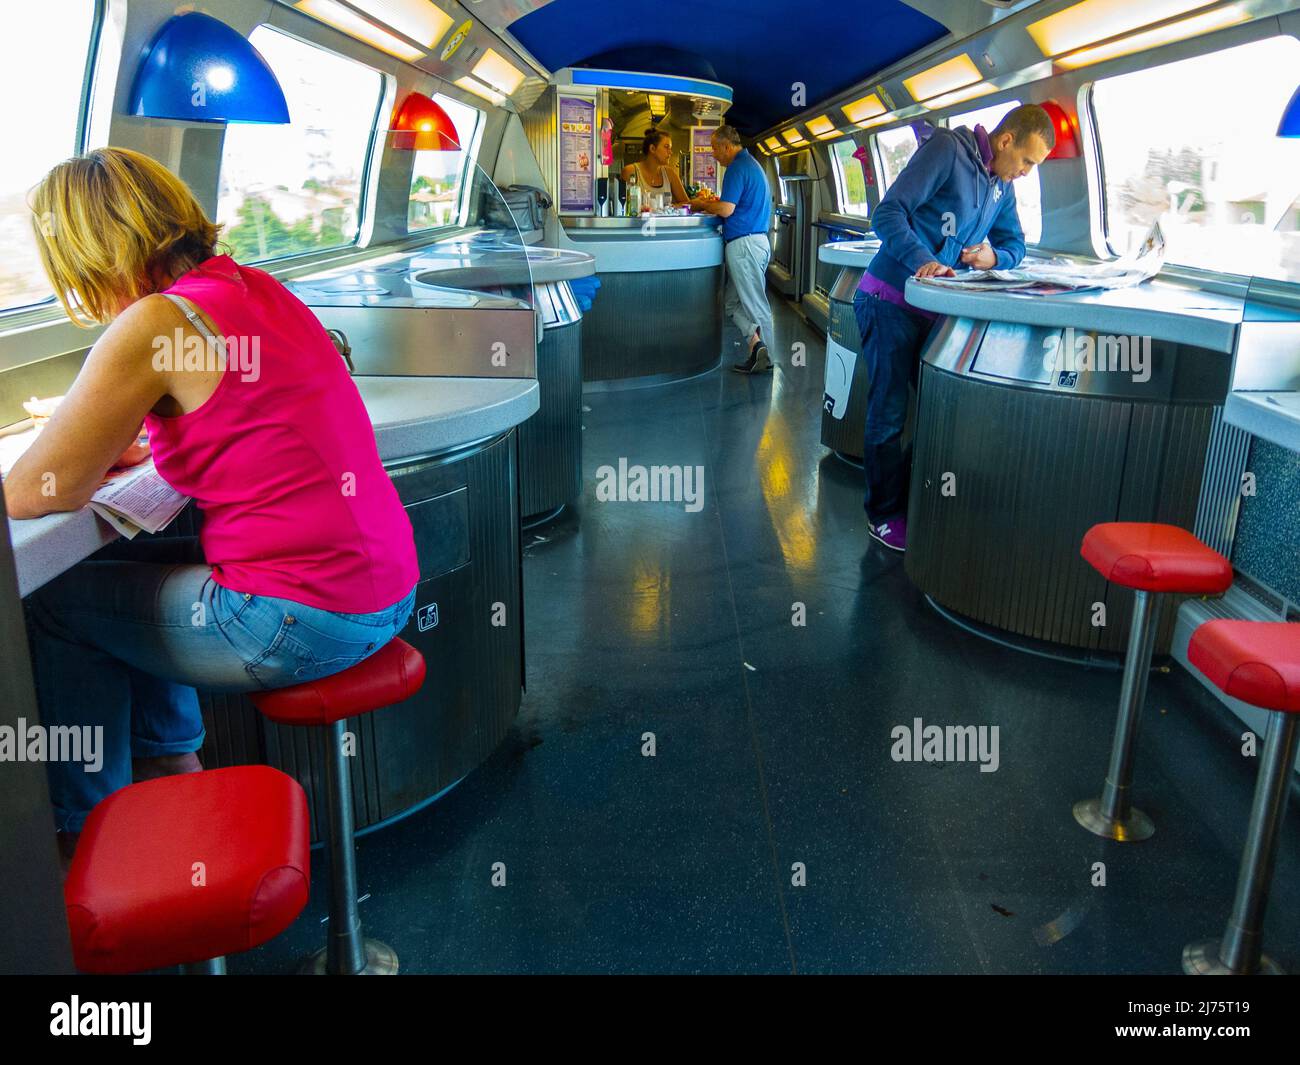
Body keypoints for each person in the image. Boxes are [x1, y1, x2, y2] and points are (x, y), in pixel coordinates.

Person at [6, 148, 420, 862]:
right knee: (129, 577)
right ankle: (170, 768)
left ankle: (91, 841)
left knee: (58, 602)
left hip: (302, 619)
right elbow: (239, 415)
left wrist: (89, 444)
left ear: (89, 252)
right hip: (385, 588)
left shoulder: (154, 325)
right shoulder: (255, 286)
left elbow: (36, 490)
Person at [856, 105, 1054, 551]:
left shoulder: (1001, 186)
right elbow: (888, 214)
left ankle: (907, 497)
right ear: (1005, 141)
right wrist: (923, 260)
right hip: (889, 298)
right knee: (888, 414)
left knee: (941, 409)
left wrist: (992, 258)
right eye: (1026, 161)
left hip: (934, 311)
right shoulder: (947, 150)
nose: (1025, 172)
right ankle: (883, 515)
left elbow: (1015, 244)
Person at [690, 125, 775, 374]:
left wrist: (701, 205)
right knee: (730, 304)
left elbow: (726, 209)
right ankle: (757, 344)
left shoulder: (737, 168)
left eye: (716, 149)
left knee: (756, 305)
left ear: (728, 146)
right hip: (755, 242)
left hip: (744, 246)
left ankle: (767, 359)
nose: (714, 155)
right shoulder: (753, 166)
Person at [621, 129, 689, 213]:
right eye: (666, 147)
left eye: (670, 148)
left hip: (666, 225)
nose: (670, 152)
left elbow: (687, 204)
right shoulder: (630, 171)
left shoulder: (669, 173)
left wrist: (669, 209)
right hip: (637, 225)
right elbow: (622, 206)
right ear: (652, 148)